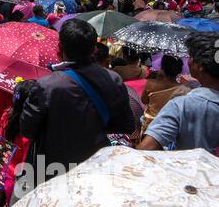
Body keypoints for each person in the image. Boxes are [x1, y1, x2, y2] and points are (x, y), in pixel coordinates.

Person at [17, 19, 137, 174]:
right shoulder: (113, 79)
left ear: (60, 47)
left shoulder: (46, 85)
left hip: (52, 168)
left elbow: (27, 130)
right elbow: (126, 126)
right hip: (95, 164)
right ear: (94, 49)